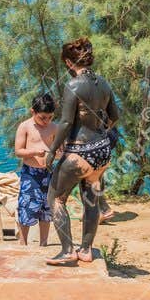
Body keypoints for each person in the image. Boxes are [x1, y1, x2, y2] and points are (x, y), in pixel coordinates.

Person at [46, 37, 119, 267]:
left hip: (81, 153)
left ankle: (67, 251)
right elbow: (115, 116)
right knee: (91, 200)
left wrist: (52, 150)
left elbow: (66, 122)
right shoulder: (104, 83)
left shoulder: (73, 85)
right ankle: (86, 250)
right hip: (102, 152)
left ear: (69, 62)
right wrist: (101, 133)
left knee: (55, 198)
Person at [13, 93, 57, 246]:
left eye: (50, 117)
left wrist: (57, 154)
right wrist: (34, 152)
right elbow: (18, 151)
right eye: (42, 117)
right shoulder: (25, 126)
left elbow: (61, 150)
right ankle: (23, 243)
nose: (46, 121)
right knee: (26, 206)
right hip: (30, 173)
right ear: (33, 111)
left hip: (48, 172)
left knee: (46, 208)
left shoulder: (54, 128)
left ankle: (43, 243)